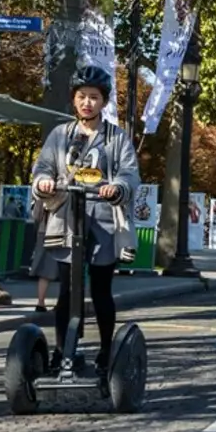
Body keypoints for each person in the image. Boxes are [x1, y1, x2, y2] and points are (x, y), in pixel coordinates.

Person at [31, 65, 140, 370]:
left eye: (93, 97)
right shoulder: (60, 135)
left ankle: (107, 352)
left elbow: (130, 174)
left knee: (101, 289)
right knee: (67, 290)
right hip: (68, 218)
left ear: (103, 102)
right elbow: (43, 168)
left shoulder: (116, 138)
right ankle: (64, 351)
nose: (87, 102)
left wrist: (116, 187)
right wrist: (42, 182)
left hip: (104, 220)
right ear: (74, 100)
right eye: (82, 97)